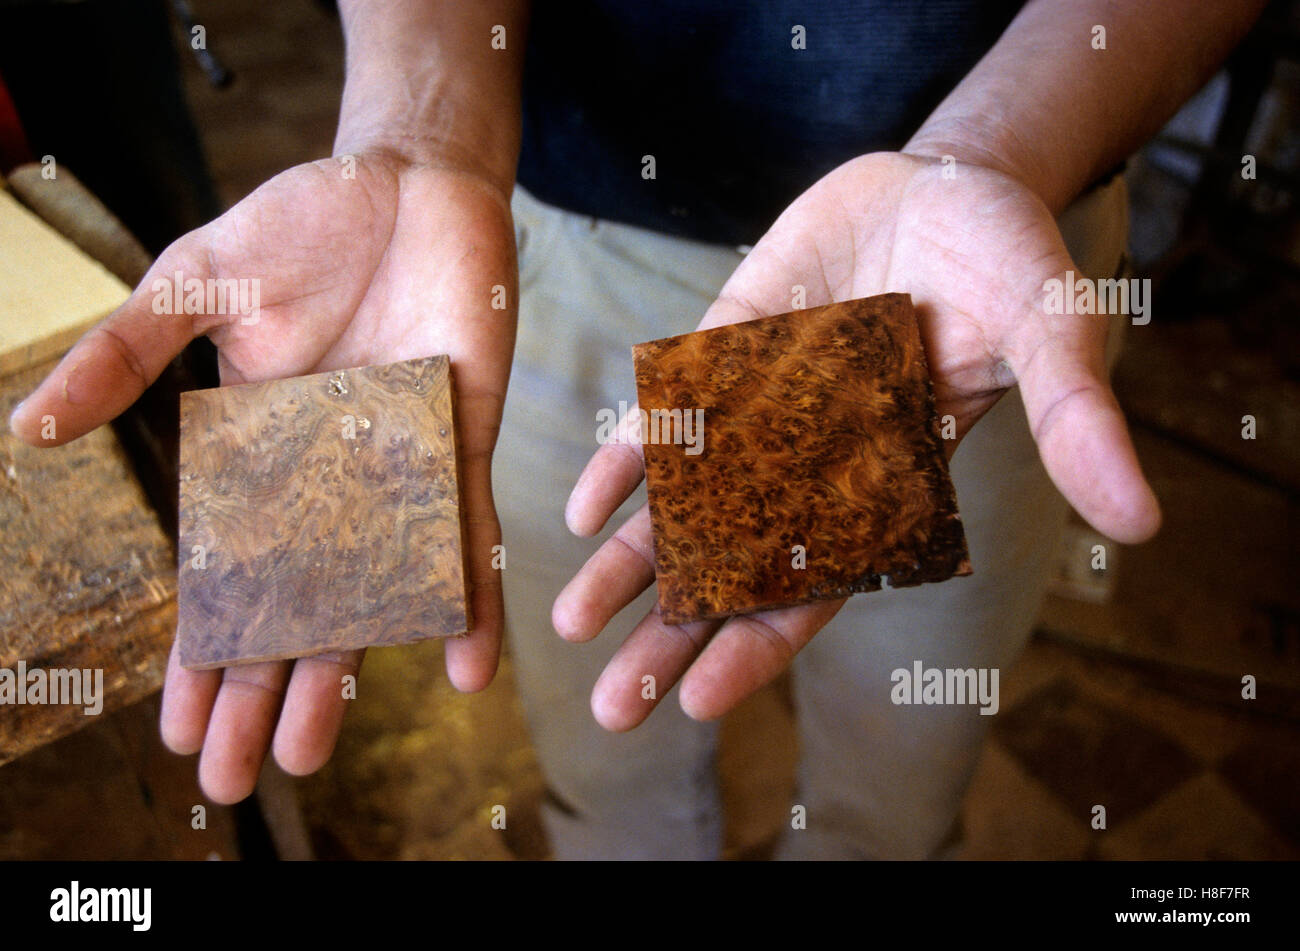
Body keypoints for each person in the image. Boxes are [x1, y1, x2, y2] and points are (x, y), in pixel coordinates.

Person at [10, 1, 1265, 858]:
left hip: (950, 300)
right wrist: (415, 141)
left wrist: (987, 155)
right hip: (545, 253)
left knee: (891, 794)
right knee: (612, 783)